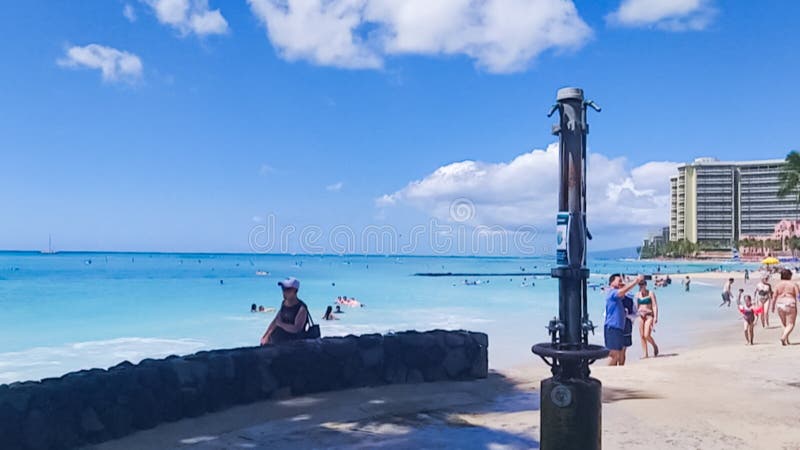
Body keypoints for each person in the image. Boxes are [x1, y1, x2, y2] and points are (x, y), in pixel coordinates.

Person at [605, 274, 644, 366]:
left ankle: (613, 374)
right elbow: (623, 291)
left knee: (619, 353)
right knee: (614, 355)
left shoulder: (620, 296)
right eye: (619, 280)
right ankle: (606, 373)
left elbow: (625, 294)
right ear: (611, 282)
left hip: (618, 327)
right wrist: (636, 281)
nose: (621, 282)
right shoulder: (612, 293)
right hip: (612, 327)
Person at [260, 277, 310, 345]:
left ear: (295, 290)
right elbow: (275, 321)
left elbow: (297, 329)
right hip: (280, 343)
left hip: (294, 345)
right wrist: (266, 335)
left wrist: (281, 324)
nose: (284, 291)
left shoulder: (301, 308)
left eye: (287, 289)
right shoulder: (284, 303)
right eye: (283, 288)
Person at [771, 269, 799, 346]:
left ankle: (786, 340)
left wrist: (772, 306)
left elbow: (774, 297)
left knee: (784, 324)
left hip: (780, 303)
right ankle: (783, 337)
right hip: (790, 303)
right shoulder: (793, 285)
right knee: (791, 324)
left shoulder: (778, 285)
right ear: (790, 276)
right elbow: (798, 296)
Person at [636, 279, 659, 358]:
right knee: (642, 336)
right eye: (639, 285)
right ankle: (645, 354)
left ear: (645, 285)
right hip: (640, 316)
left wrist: (655, 317)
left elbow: (654, 305)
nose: (641, 286)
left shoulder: (651, 293)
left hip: (649, 315)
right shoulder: (638, 294)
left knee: (646, 335)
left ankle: (654, 345)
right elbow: (637, 306)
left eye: (642, 284)